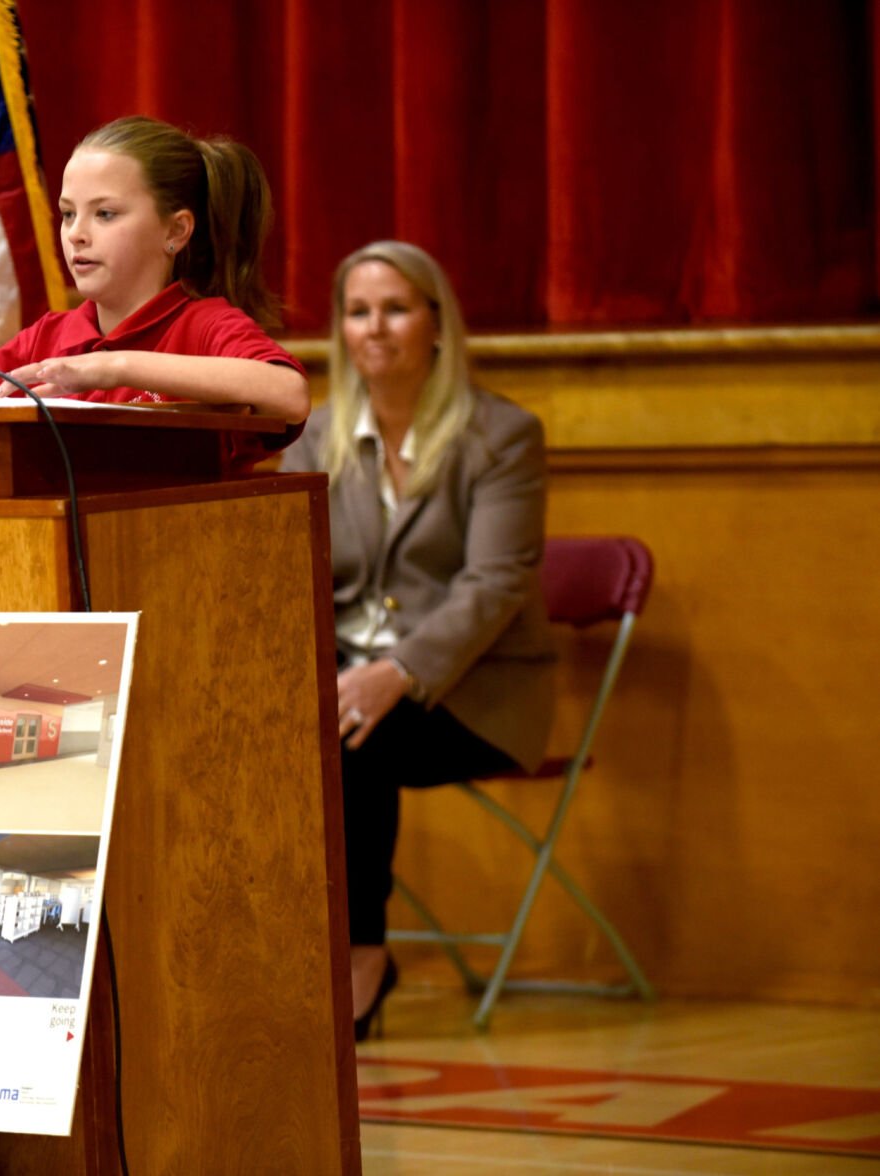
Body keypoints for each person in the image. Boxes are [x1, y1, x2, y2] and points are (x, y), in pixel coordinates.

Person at [278, 240, 556, 1040]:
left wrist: (396, 671)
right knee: (281, 725)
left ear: (438, 322)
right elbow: (296, 574)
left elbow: (496, 584)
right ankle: (280, 951)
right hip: (342, 683)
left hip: (472, 694)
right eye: (358, 312)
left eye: (396, 308)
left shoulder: (502, 436)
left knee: (351, 736)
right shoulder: (314, 439)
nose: (375, 328)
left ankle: (362, 958)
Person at [0, 115, 309, 472]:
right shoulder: (51, 335)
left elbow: (287, 393)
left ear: (175, 231)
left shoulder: (204, 323)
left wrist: (113, 366)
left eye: (105, 214)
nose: (76, 234)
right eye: (69, 213)